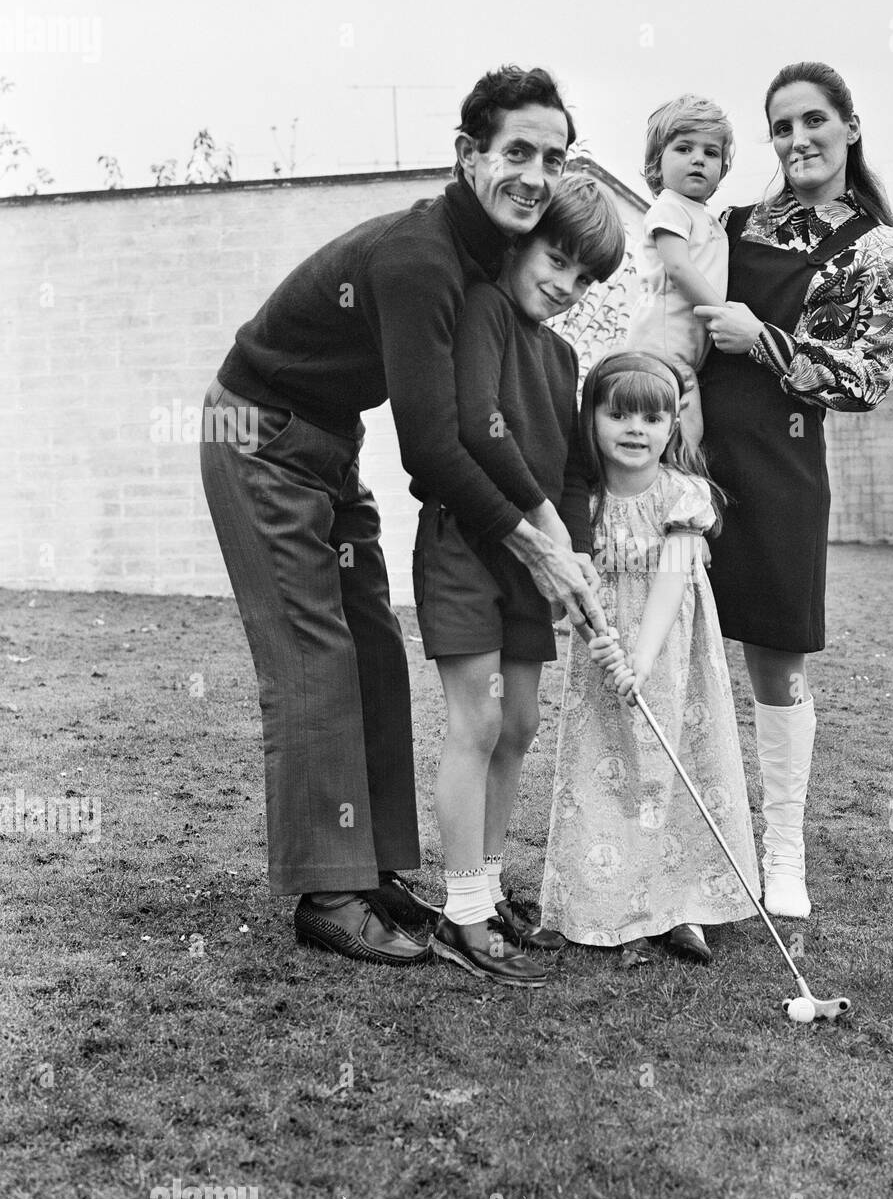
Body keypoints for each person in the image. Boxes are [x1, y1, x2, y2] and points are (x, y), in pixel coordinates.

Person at [199, 66, 607, 967]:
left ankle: (376, 867)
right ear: (467, 155)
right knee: (315, 654)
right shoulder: (422, 260)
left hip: (327, 444)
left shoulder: (488, 257)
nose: (535, 175)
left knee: (374, 649)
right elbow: (432, 448)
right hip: (256, 433)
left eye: (553, 157)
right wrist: (538, 550)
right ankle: (328, 894)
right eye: (516, 152)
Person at [693, 61, 893, 919]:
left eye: (814, 121)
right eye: (781, 127)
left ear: (850, 127)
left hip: (783, 472)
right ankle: (696, 847)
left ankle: (782, 855)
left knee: (775, 665)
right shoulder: (729, 221)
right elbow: (674, 319)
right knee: (681, 650)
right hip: (691, 459)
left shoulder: (878, 249)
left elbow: (868, 378)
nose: (797, 140)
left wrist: (765, 341)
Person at [416, 174, 625, 986]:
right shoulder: (484, 309)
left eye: (584, 276)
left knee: (522, 722)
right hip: (469, 543)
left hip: (534, 556)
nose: (565, 284)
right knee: (477, 720)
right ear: (519, 244)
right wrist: (544, 526)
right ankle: (461, 914)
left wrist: (573, 548)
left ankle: (492, 888)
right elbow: (477, 427)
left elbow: (573, 468)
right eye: (556, 259)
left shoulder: (564, 351)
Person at [540, 352, 760, 964]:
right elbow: (571, 585)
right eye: (619, 414)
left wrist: (640, 656)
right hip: (604, 660)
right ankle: (599, 904)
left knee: (678, 769)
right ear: (592, 420)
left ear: (672, 427)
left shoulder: (683, 494)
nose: (636, 429)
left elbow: (672, 582)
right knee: (604, 771)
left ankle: (681, 907)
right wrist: (601, 644)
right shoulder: (578, 502)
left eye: (654, 417)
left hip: (672, 659)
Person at [625, 96, 734, 451]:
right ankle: (679, 487)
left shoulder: (705, 217)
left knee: (673, 424)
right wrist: (722, 311)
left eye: (711, 152)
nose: (698, 159)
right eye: (684, 148)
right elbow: (678, 267)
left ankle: (675, 482)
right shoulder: (669, 207)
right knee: (687, 427)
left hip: (684, 352)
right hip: (662, 347)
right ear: (657, 163)